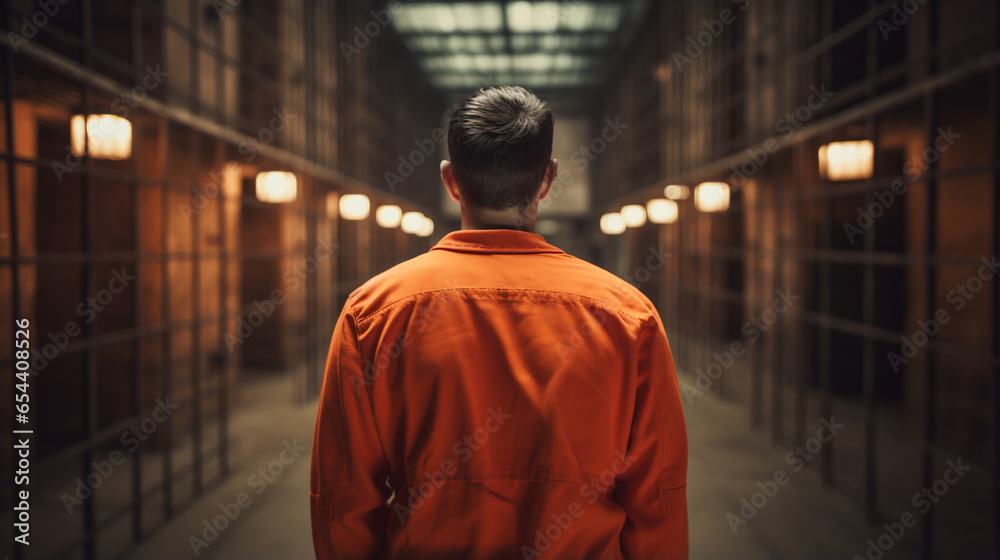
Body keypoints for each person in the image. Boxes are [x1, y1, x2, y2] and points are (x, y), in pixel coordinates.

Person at [310, 85, 688, 559]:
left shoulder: (373, 313)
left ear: (451, 180)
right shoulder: (628, 316)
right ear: (548, 180)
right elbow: (659, 497)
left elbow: (343, 499)